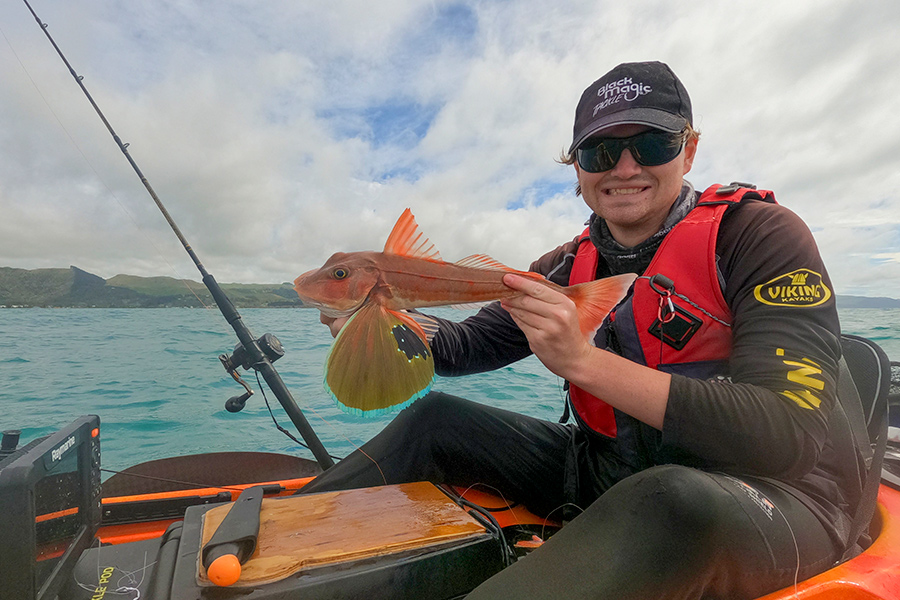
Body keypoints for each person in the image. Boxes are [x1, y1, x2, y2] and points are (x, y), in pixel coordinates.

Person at [301, 61, 865, 599]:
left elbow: (788, 438)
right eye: (599, 150)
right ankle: (273, 551)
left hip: (776, 495)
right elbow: (464, 346)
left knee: (669, 499)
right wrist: (379, 324)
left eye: (650, 144)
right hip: (609, 471)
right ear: (577, 166)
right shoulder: (571, 265)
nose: (624, 168)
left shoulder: (759, 236)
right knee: (435, 419)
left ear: (689, 151)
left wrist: (584, 362)